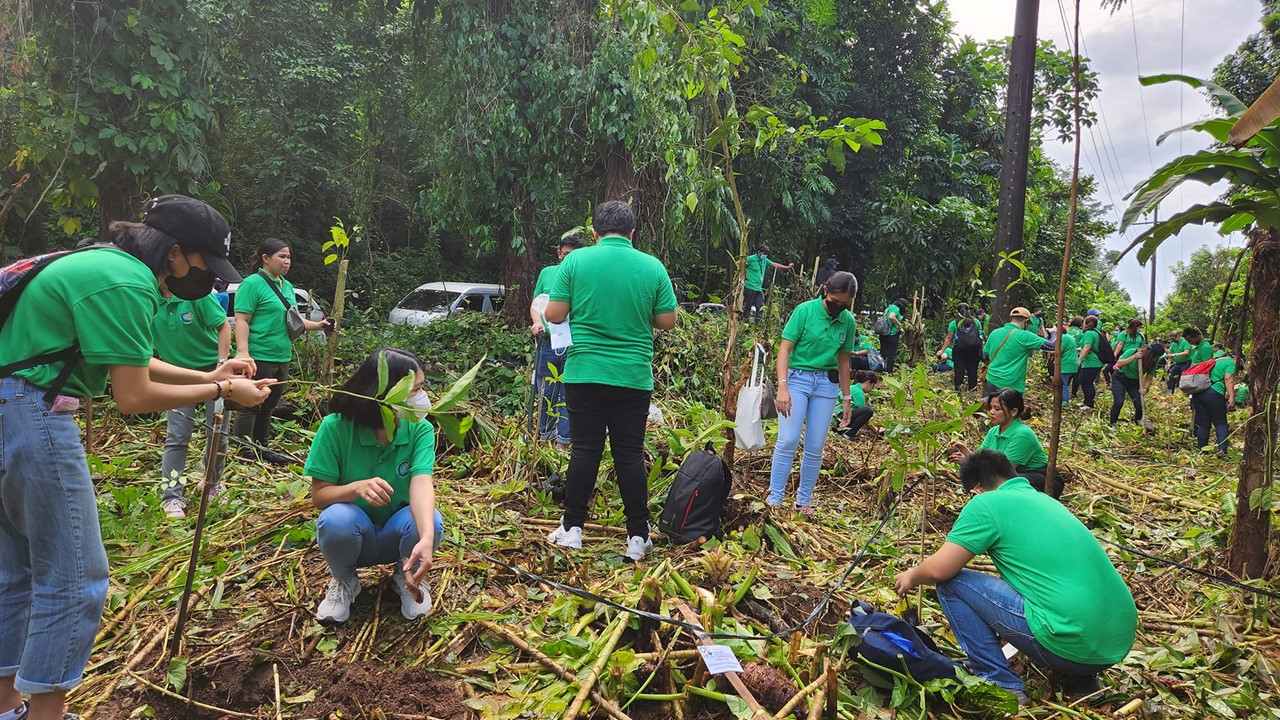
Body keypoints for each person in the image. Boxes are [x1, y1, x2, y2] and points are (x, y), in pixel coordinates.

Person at [0, 194, 274, 720]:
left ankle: (8, 706)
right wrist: (220, 395)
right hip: (33, 417)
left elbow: (131, 357)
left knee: (15, 572)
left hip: (6, 410)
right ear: (174, 252)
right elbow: (133, 395)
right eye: (204, 266)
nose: (208, 281)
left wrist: (212, 377)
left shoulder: (99, 265)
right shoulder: (128, 283)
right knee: (75, 577)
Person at [894, 451, 1137, 705]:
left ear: (976, 490)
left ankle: (1000, 683)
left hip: (1070, 641)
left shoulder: (985, 504)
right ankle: (1081, 679)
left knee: (951, 585)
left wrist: (912, 576)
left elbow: (939, 570)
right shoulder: (1046, 501)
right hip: (1115, 642)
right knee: (1048, 594)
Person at [544, 201, 678, 561]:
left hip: (585, 372)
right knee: (629, 453)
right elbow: (667, 321)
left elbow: (555, 314)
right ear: (633, 233)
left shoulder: (575, 261)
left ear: (595, 233)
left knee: (585, 449)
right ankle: (638, 536)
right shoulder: (652, 267)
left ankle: (572, 529)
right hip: (633, 376)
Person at [306, 348, 442, 623]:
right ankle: (345, 581)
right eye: (415, 389)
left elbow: (421, 482)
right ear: (384, 394)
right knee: (334, 519)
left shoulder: (420, 429)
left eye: (422, 388)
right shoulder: (336, 428)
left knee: (430, 521)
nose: (423, 397)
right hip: (355, 534)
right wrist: (356, 488)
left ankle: (407, 577)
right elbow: (319, 496)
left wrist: (427, 537)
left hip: (399, 532)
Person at [232, 238, 333, 462]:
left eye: (289, 257)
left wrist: (318, 325)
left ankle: (263, 448)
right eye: (282, 256)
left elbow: (294, 321)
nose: (287, 261)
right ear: (265, 258)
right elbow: (242, 320)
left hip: (282, 355)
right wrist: (243, 352)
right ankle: (244, 451)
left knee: (268, 406)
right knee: (251, 405)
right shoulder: (252, 284)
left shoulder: (286, 286)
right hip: (259, 354)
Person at [767, 271, 857, 515]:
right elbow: (784, 349)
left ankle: (803, 501)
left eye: (844, 304)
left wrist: (847, 398)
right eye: (834, 301)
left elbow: (844, 362)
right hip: (797, 380)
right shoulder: (804, 312)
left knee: (815, 445)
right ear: (825, 291)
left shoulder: (847, 321)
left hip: (826, 385)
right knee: (787, 440)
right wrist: (782, 386)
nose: (837, 307)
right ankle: (775, 498)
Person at [154, 283, 233, 519]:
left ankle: (211, 483)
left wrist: (222, 365)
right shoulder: (147, 299)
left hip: (213, 372)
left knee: (218, 433)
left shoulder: (195, 294)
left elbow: (222, 327)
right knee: (177, 436)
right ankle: (172, 496)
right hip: (176, 375)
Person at [530, 234, 585, 452]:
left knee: (569, 394)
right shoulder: (548, 273)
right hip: (549, 342)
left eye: (574, 255)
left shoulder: (585, 276)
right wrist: (536, 323)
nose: (568, 259)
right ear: (559, 253)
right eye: (566, 254)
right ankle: (545, 437)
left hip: (574, 344)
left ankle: (562, 443)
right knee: (546, 390)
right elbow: (537, 304)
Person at [947, 389, 1051, 496]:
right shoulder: (994, 431)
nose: (991, 412)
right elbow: (982, 461)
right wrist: (964, 452)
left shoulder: (1022, 434)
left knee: (1003, 483)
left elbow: (1004, 471)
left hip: (1040, 479)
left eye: (997, 409)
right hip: (1013, 474)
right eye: (991, 408)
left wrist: (966, 461)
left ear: (1013, 412)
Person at [980, 307, 1054, 397]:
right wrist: (1054, 333)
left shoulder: (995, 333)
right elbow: (1052, 346)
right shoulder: (1025, 336)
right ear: (1025, 322)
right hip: (1012, 384)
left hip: (992, 379)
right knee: (1010, 409)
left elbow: (985, 356)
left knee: (994, 407)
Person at [1192, 351, 1237, 458]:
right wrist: (1231, 397)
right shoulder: (1231, 363)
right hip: (1214, 393)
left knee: (1203, 424)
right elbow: (1228, 378)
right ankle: (1222, 450)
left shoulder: (1214, 361)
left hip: (1199, 393)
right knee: (1220, 423)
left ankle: (1202, 450)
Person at [937, 303, 983, 392]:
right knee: (972, 371)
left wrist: (942, 350)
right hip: (974, 351)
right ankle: (972, 391)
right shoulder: (976, 322)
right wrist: (981, 352)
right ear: (969, 310)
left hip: (959, 351)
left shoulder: (954, 323)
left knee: (959, 371)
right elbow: (980, 337)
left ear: (957, 312)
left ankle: (958, 392)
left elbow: (949, 338)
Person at [742, 245, 792, 323]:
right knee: (747, 307)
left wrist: (787, 267)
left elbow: (774, 264)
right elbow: (739, 264)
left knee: (761, 307)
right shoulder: (751, 259)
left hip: (758, 288)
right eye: (764, 254)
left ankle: (757, 326)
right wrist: (744, 274)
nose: (765, 256)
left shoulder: (764, 260)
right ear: (759, 252)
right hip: (750, 287)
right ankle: (744, 324)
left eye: (766, 254)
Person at [1109, 343, 1148, 426]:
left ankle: (1138, 424)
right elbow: (1119, 364)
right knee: (1119, 402)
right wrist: (1134, 357)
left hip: (1134, 382)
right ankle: (1112, 424)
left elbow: (1149, 377)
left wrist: (1145, 388)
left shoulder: (1152, 361)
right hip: (1120, 378)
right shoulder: (1131, 351)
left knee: (1139, 404)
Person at [835, 370, 880, 439]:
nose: (872, 389)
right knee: (868, 410)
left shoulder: (853, 387)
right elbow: (864, 417)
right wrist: (875, 430)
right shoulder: (858, 392)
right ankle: (848, 434)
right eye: (873, 386)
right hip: (840, 418)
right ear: (868, 382)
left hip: (834, 418)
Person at [1075, 315, 1106, 410]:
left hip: (1091, 362)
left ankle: (1089, 403)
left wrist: (1079, 359)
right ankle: (1086, 401)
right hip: (1094, 361)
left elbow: (1088, 347)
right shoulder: (1096, 332)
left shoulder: (1089, 333)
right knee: (1084, 380)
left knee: (1086, 382)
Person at [878, 296, 908, 373]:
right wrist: (899, 325)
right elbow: (891, 317)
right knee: (891, 353)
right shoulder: (896, 308)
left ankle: (880, 369)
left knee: (883, 352)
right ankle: (889, 371)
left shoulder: (889, 307)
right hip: (892, 334)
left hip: (883, 333)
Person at [1055, 322, 1078, 406]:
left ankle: (1065, 402)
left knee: (1063, 384)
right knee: (1065, 383)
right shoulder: (1070, 337)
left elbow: (1059, 350)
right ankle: (1063, 399)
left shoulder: (1063, 338)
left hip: (1066, 363)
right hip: (1072, 363)